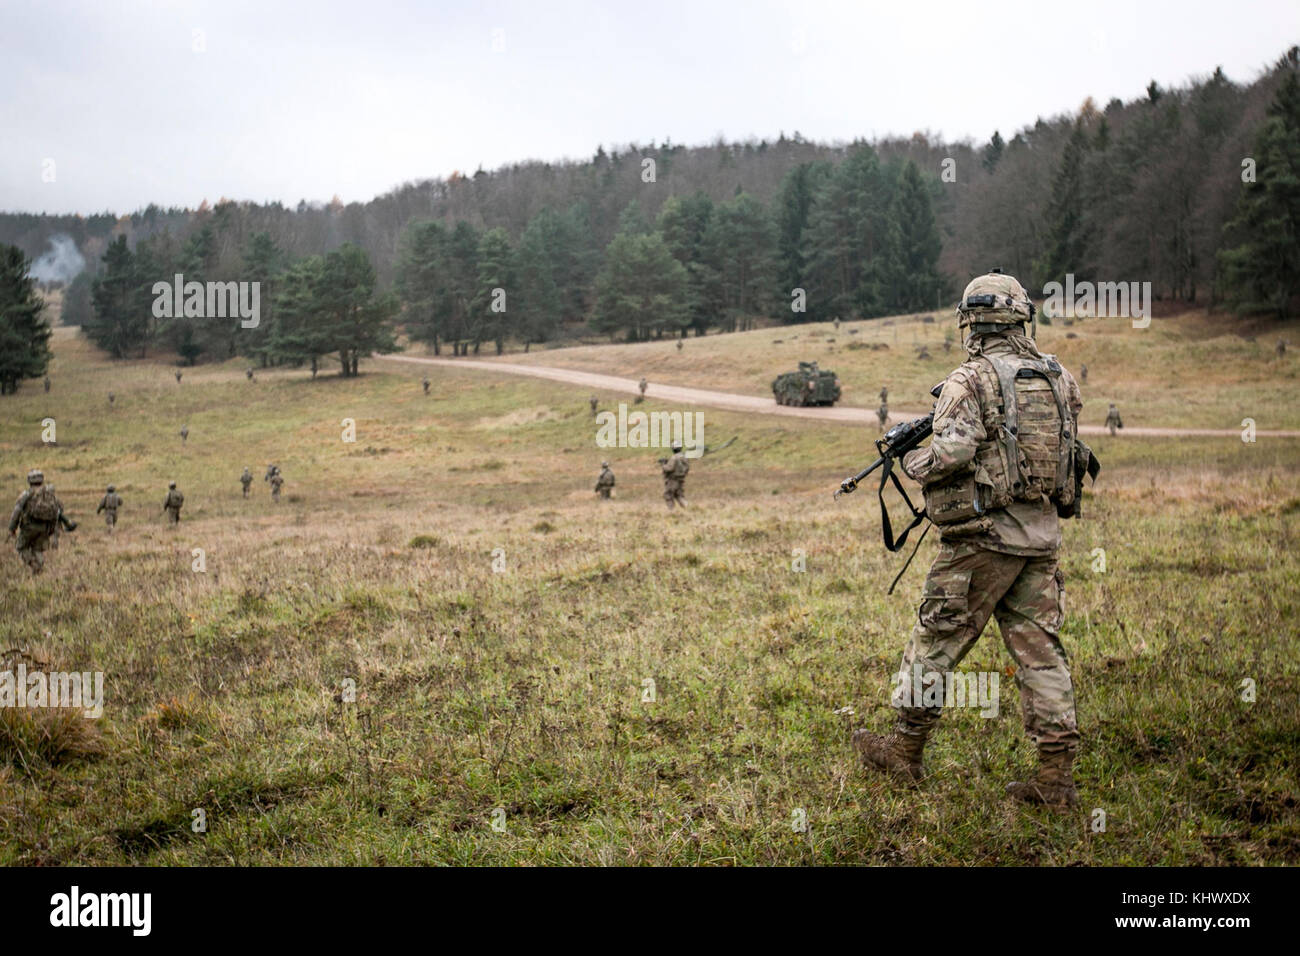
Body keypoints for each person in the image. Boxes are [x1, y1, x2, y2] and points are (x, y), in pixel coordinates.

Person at [851, 270, 1086, 808]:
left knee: (935, 641)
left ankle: (905, 753)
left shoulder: (970, 379)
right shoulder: (1058, 377)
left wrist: (912, 462)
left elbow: (953, 453)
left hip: (982, 539)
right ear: (1021, 316)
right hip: (1041, 540)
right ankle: (1056, 780)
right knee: (1042, 655)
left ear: (971, 322)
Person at [8, 470, 76, 573]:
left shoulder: (26, 494)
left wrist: (12, 528)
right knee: (38, 550)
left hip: (29, 527)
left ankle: (33, 564)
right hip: (45, 528)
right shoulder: (49, 495)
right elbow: (57, 511)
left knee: (21, 547)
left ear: (29, 480)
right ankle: (39, 568)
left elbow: (16, 512)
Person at [661, 441, 689, 510]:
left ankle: (671, 510)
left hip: (673, 480)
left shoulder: (674, 458)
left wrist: (663, 464)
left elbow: (669, 468)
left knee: (668, 495)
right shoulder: (684, 457)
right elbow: (686, 468)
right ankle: (687, 507)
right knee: (679, 495)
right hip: (681, 479)